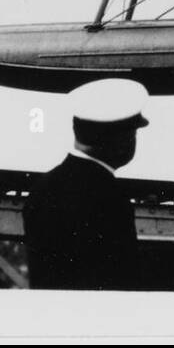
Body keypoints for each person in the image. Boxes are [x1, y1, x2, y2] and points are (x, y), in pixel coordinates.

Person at [22, 79, 150, 291]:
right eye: (133, 133)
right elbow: (122, 281)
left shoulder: (42, 188)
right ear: (120, 139)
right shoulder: (111, 198)